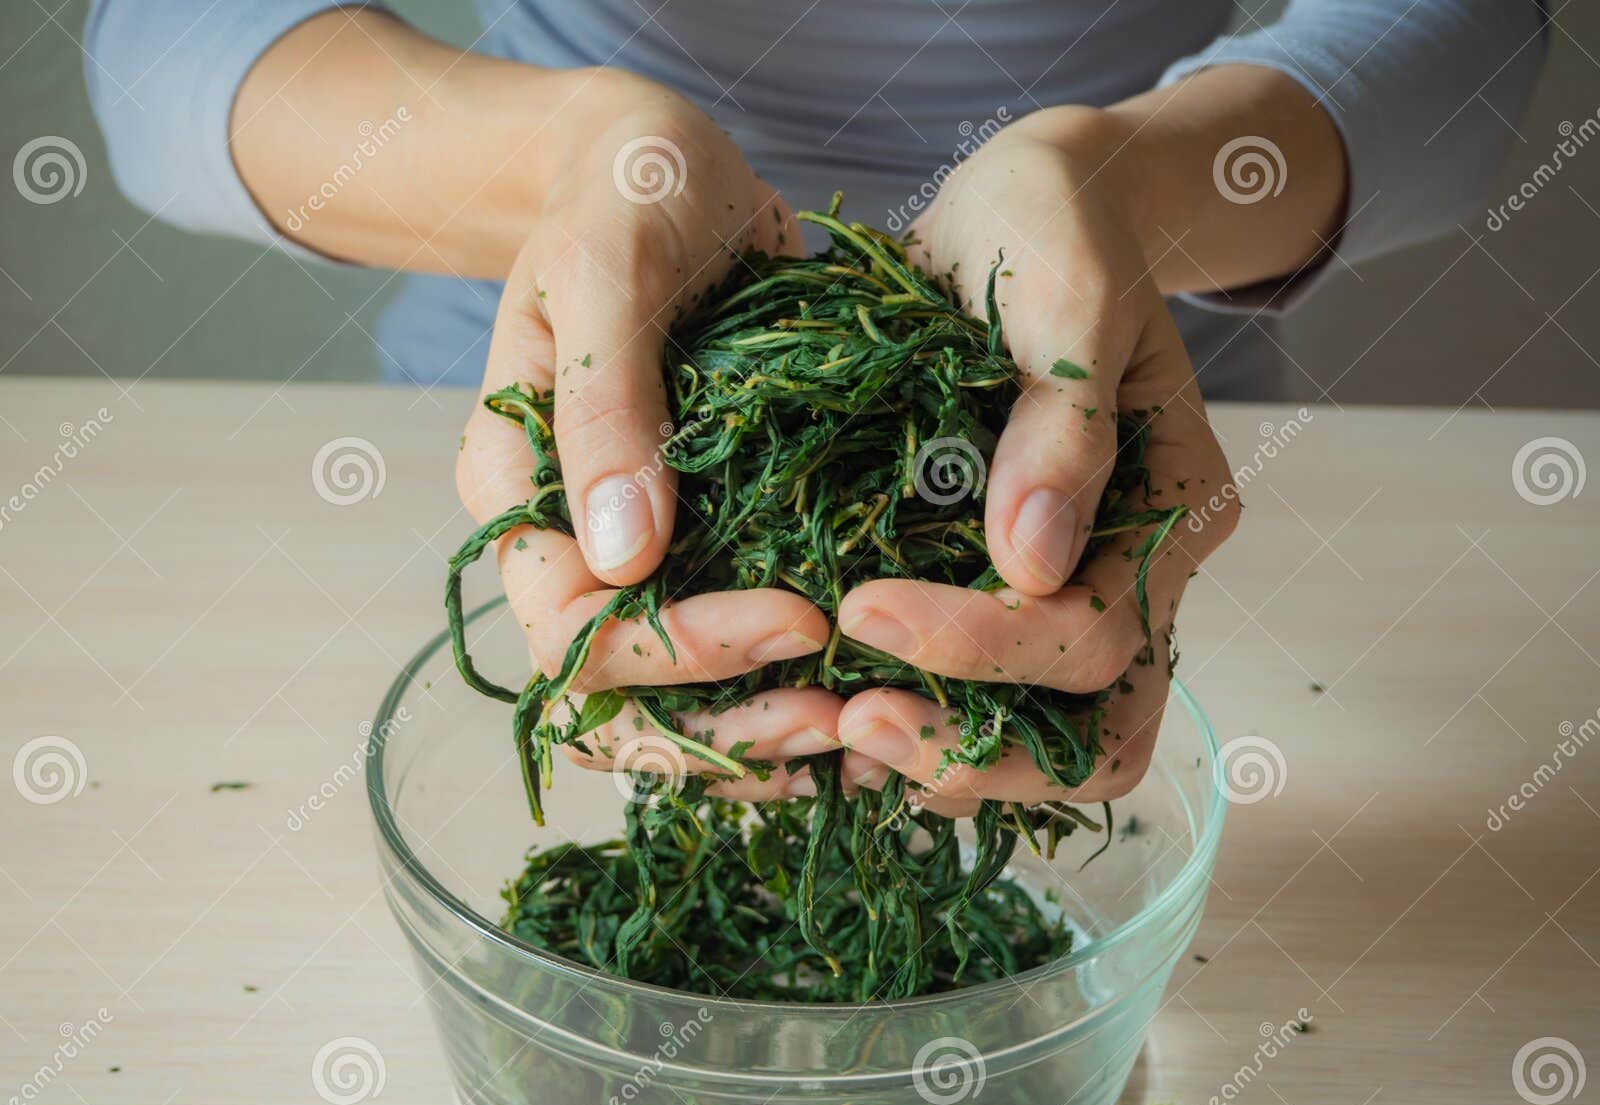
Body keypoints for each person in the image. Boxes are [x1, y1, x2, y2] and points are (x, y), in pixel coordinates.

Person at [86, 1, 1546, 815]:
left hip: (1112, 432)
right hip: (551, 432)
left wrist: (1130, 187)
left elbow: (1482, 30)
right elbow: (154, 46)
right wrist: (578, 165)